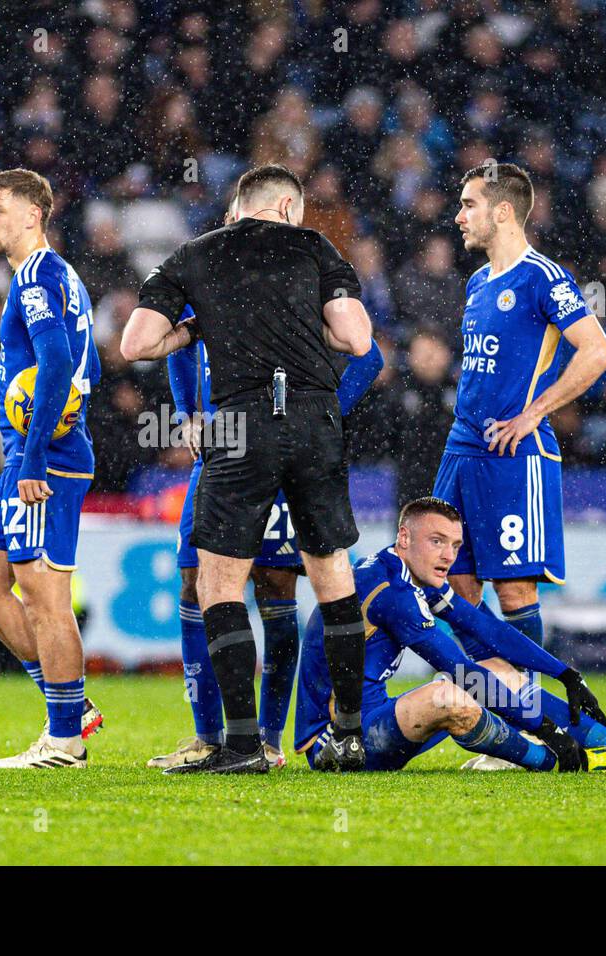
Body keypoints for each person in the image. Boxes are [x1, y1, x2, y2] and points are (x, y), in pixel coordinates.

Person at [122, 164, 373, 774]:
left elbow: (136, 344)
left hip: (240, 426)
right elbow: (358, 340)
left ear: (238, 208)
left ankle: (240, 745)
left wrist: (197, 329)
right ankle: (346, 734)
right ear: (288, 207)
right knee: (332, 577)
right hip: (314, 419)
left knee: (218, 584)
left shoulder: (195, 254)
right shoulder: (317, 247)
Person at [297, 498, 606, 774]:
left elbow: (486, 629)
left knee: (502, 671)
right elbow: (459, 670)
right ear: (404, 537)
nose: (447, 555)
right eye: (436, 541)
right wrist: (548, 729)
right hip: (339, 742)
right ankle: (560, 761)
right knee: (451, 693)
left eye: (454, 545)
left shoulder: (407, 571)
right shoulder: (392, 592)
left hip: (380, 720)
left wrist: (566, 674)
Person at [433, 163, 606, 649]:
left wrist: (533, 413)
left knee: (513, 589)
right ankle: (485, 709)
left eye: (469, 205)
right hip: (461, 450)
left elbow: (598, 351)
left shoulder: (544, 278)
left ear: (504, 211)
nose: (459, 217)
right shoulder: (476, 283)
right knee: (454, 583)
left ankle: (525, 707)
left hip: (514, 453)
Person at [0, 168, 104, 770]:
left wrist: (35, 453)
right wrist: (3, 399)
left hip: (45, 461)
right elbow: (74, 365)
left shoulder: (39, 277)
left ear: (31, 215)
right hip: (27, 452)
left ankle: (66, 736)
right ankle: (69, 705)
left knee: (44, 595)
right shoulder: (51, 276)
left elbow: (57, 361)